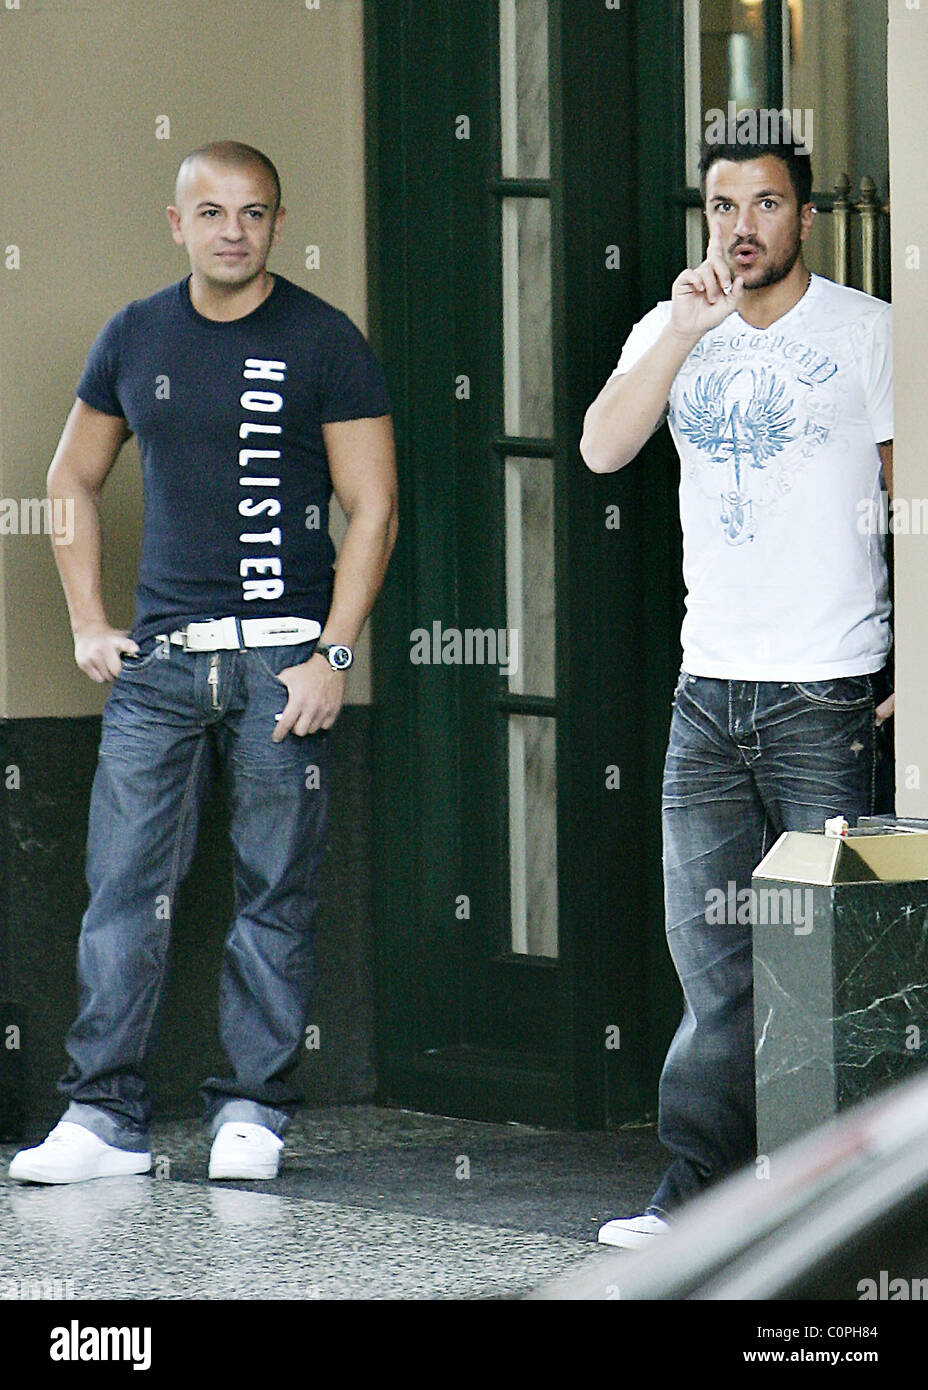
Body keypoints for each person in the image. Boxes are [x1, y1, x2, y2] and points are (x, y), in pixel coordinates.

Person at [9, 141, 397, 1184]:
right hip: (162, 664)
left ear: (277, 223)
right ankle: (101, 1120)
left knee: (276, 885)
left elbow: (374, 507)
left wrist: (333, 651)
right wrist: (91, 622)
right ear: (176, 224)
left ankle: (253, 1114)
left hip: (282, 660)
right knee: (122, 887)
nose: (235, 229)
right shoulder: (135, 334)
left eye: (255, 212)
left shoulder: (324, 339)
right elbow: (70, 477)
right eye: (213, 211)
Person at [581, 129, 894, 1247]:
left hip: (823, 691)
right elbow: (603, 447)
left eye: (766, 203)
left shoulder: (868, 332)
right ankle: (698, 1194)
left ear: (804, 217)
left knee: (823, 962)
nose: (743, 224)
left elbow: (909, 501)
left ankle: (828, 1210)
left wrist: (911, 659)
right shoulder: (676, 328)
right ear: (704, 216)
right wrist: (681, 329)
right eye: (723, 205)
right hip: (706, 692)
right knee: (714, 969)